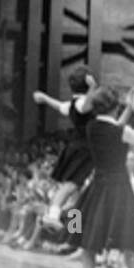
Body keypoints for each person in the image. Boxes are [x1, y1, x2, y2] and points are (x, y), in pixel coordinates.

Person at [74, 87, 134, 268]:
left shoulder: (91, 126)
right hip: (119, 188)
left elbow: (114, 126)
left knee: (85, 236)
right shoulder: (119, 131)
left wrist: (126, 108)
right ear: (114, 107)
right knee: (128, 239)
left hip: (97, 186)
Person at [32, 66, 98, 233]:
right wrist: (93, 88)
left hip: (76, 148)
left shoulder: (72, 104)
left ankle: (73, 233)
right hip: (83, 150)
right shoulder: (83, 103)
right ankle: (52, 216)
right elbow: (86, 106)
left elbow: (59, 105)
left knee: (76, 193)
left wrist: (44, 98)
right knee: (70, 186)